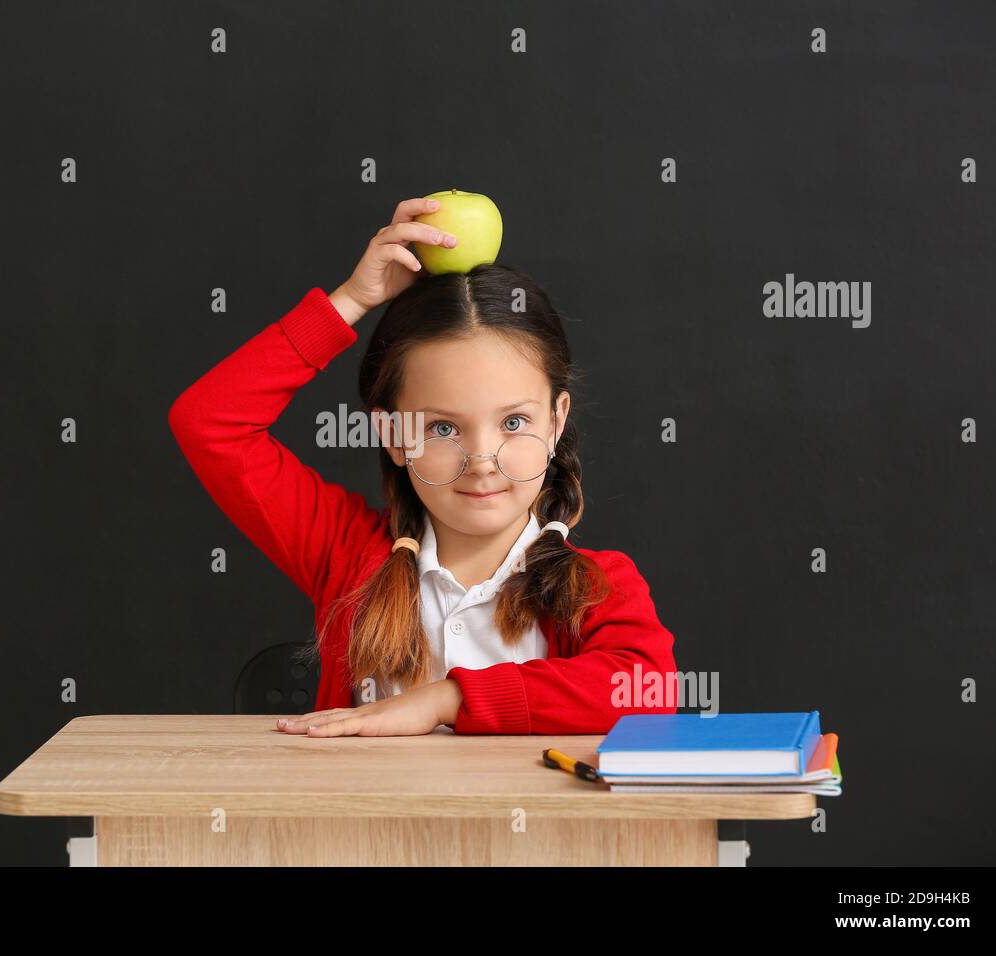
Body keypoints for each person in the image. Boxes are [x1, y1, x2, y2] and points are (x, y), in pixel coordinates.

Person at [169, 196, 677, 737]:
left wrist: (446, 700)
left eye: (512, 423)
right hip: (365, 825)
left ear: (555, 423)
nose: (482, 462)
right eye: (442, 428)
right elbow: (209, 422)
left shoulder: (599, 586)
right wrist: (348, 301)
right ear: (392, 436)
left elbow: (649, 689)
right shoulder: (345, 556)